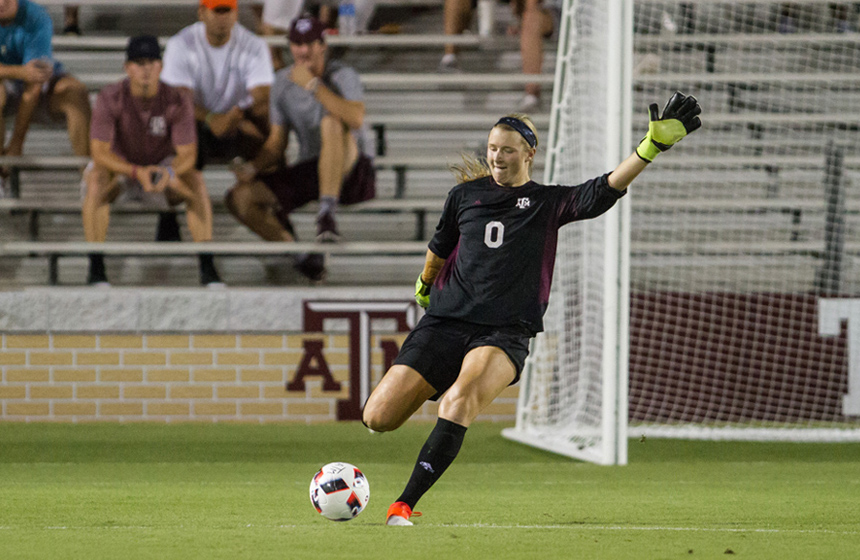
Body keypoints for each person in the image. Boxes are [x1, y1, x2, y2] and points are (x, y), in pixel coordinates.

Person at [361, 92, 702, 525]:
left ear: (529, 154)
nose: (496, 157)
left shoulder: (546, 202)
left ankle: (403, 505)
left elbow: (604, 189)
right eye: (492, 148)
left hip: (503, 332)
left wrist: (648, 148)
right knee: (377, 417)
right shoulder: (464, 196)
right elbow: (440, 246)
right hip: (445, 322)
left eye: (507, 149)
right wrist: (427, 283)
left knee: (459, 402)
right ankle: (444, 374)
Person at [226, 15, 375, 281]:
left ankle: (326, 215)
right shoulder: (282, 83)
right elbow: (277, 144)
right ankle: (300, 257)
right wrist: (252, 167)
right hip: (313, 166)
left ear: (322, 45)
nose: (303, 51)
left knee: (331, 123)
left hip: (352, 168)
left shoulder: (342, 74)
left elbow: (356, 119)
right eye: (297, 44)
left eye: (309, 43)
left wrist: (314, 86)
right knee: (239, 197)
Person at [82, 35, 222, 287]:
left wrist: (168, 173)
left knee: (195, 179)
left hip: (159, 168)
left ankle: (207, 266)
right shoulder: (110, 96)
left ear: (161, 66)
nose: (145, 69)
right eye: (139, 63)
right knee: (96, 178)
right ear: (127, 68)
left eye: (151, 62)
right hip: (123, 169)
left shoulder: (177, 98)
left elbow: (188, 154)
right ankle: (96, 267)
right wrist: (136, 172)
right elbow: (99, 151)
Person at [159, 0, 274, 241]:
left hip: (237, 120)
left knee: (269, 131)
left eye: (227, 11)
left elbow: (262, 97)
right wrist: (212, 119)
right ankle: (168, 211)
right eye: (216, 11)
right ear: (202, 13)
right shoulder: (181, 44)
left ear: (236, 14)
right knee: (180, 131)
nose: (222, 17)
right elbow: (177, 100)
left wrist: (235, 117)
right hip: (196, 124)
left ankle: (275, 208)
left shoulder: (253, 44)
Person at [0, 0, 91, 169]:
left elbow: (35, 81)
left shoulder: (36, 16)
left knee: (75, 93)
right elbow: (28, 74)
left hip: (41, 87)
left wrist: (16, 143)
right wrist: (20, 72)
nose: (1, 3)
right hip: (8, 85)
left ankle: (89, 175)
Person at [438, 0, 560, 112]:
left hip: (556, 10)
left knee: (531, 19)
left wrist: (519, 21)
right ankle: (450, 59)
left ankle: (532, 96)